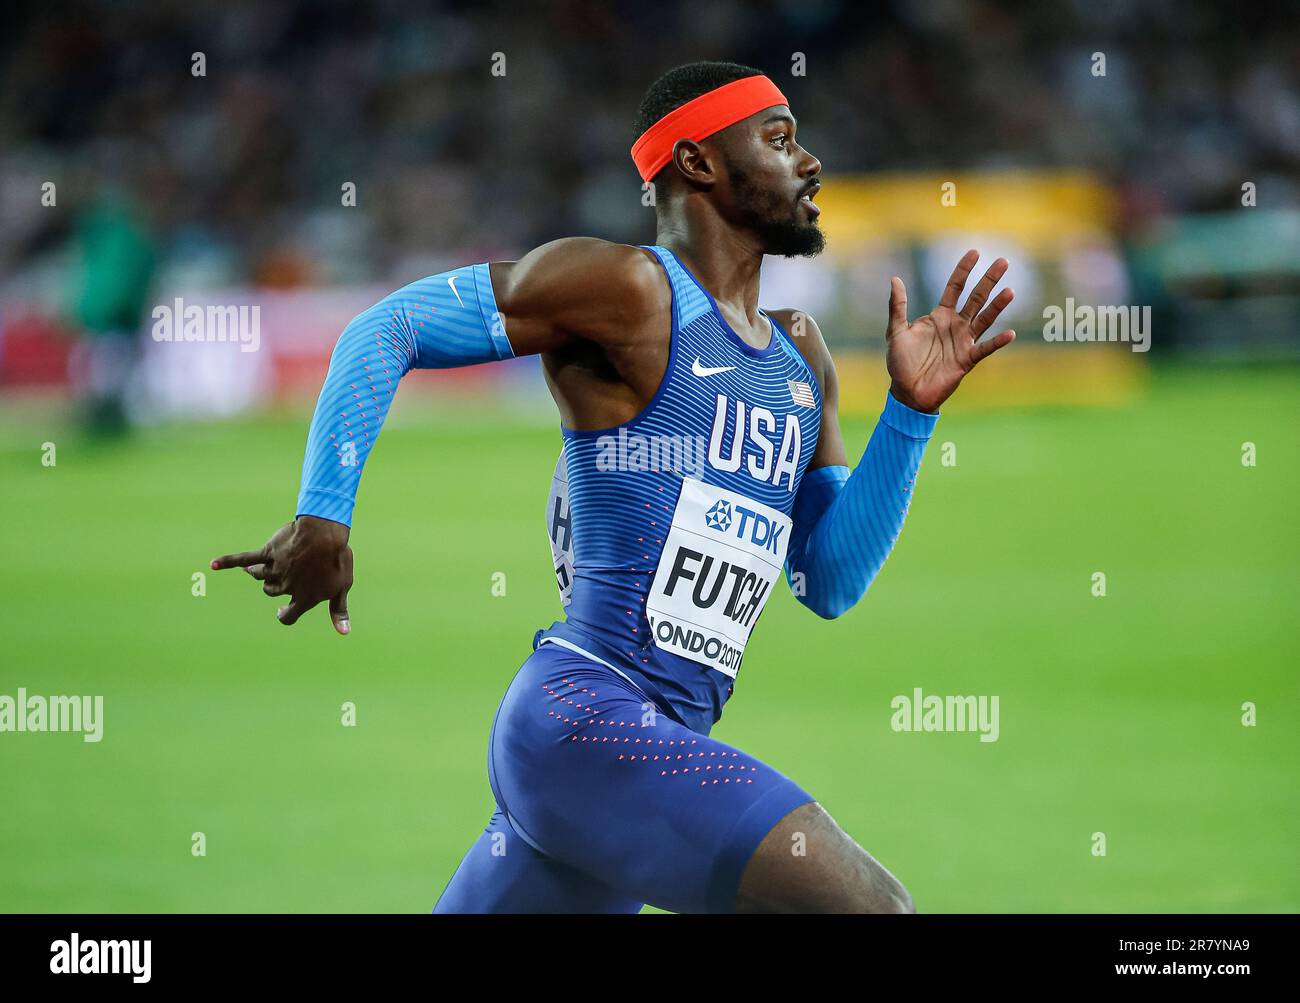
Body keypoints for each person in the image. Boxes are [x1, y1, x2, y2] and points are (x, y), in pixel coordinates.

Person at [212, 61, 1015, 913]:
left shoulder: (799, 355)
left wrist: (910, 416)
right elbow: (390, 326)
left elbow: (829, 579)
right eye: (779, 140)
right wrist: (324, 514)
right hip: (586, 719)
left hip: (637, 750)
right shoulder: (629, 291)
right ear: (698, 161)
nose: (810, 161)